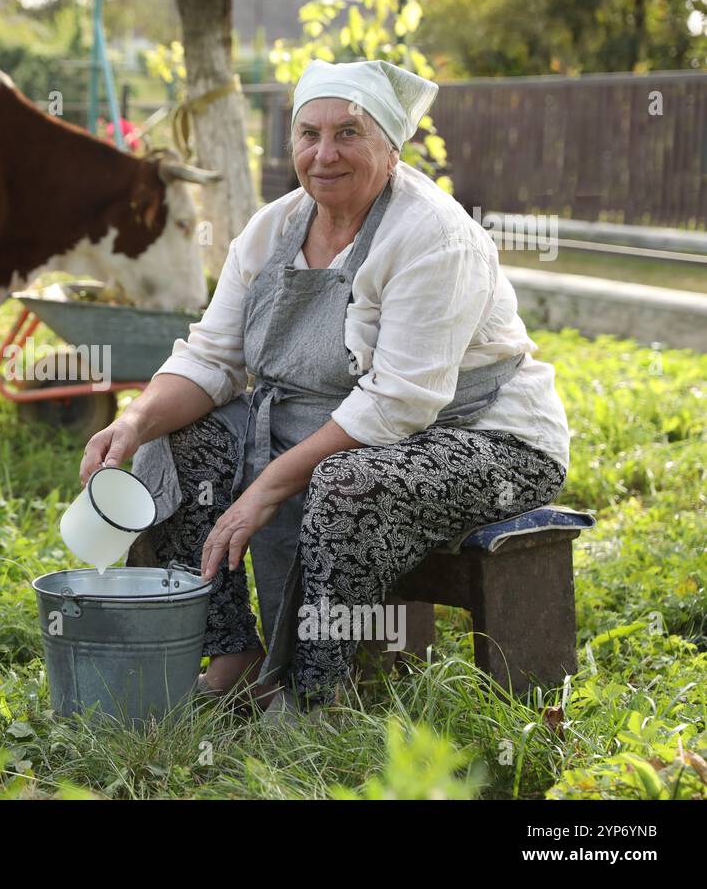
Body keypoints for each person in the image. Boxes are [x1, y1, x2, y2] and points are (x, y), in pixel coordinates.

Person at [77, 59, 571, 723]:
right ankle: (234, 656)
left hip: (485, 439)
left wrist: (269, 483)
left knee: (346, 482)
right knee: (178, 442)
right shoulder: (273, 228)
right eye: (308, 133)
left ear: (391, 148)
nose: (324, 153)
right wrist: (134, 423)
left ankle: (317, 696)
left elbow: (399, 402)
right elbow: (212, 356)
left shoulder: (433, 238)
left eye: (348, 133)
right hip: (329, 424)